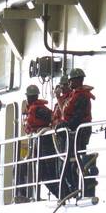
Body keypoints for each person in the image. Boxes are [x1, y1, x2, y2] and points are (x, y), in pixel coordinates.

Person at [55, 68, 95, 198]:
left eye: (71, 80)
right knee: (70, 164)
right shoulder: (75, 95)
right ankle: (74, 190)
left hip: (78, 133)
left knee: (73, 164)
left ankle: (79, 189)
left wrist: (65, 125)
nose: (69, 82)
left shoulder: (81, 96)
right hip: (72, 134)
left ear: (77, 80)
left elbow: (77, 117)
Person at [16, 84, 55, 203]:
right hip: (36, 141)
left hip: (44, 141)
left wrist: (41, 129)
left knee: (44, 173)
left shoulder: (39, 109)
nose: (28, 99)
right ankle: (23, 194)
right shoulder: (33, 109)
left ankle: (59, 192)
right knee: (25, 168)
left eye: (29, 96)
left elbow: (51, 119)